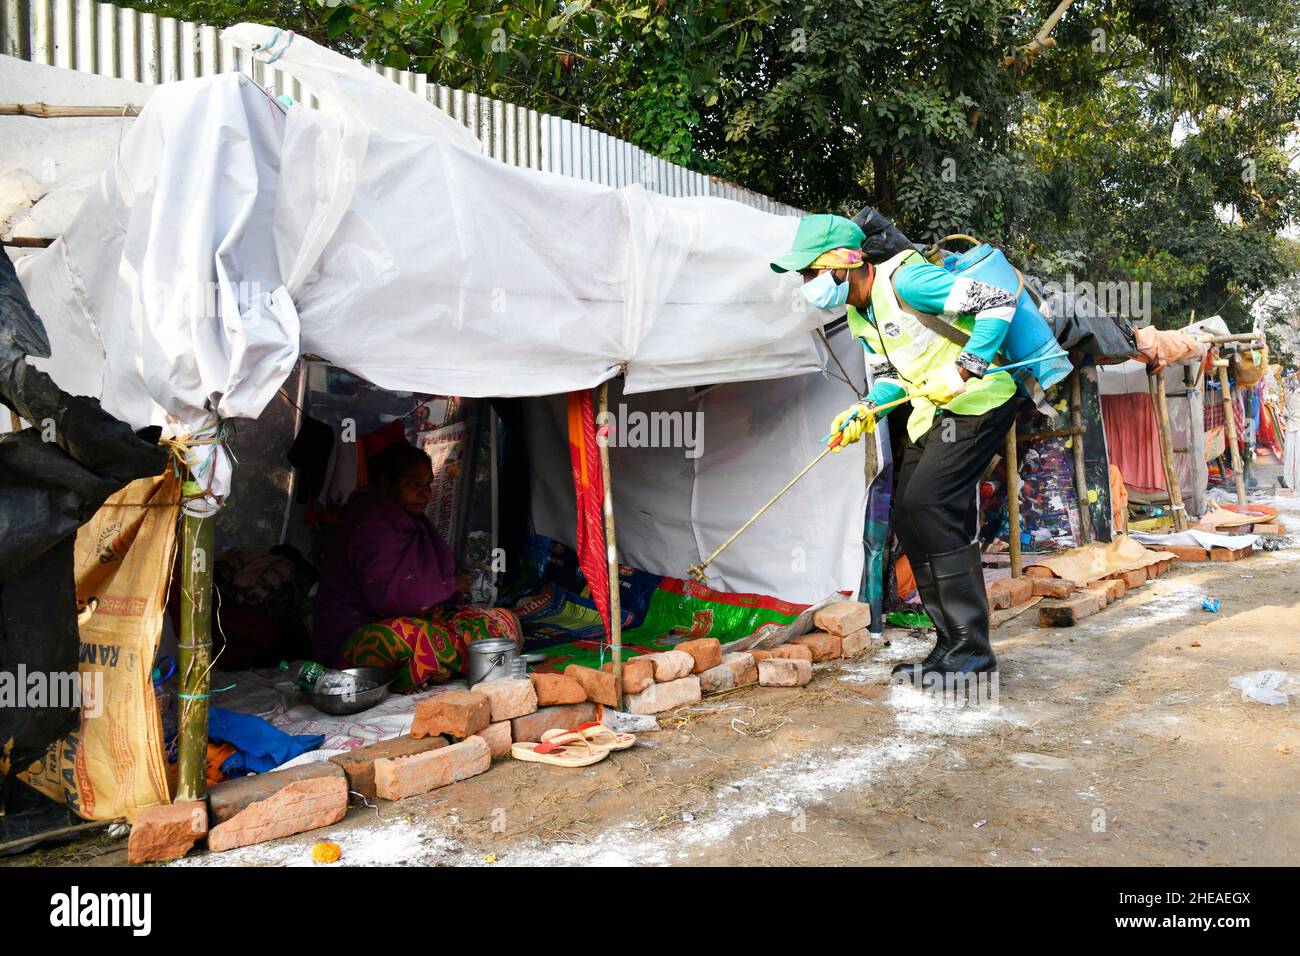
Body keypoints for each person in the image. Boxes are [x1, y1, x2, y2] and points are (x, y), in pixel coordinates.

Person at [770, 214, 1022, 685]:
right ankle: (950, 645)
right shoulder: (858, 314)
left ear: (843, 264)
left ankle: (973, 653)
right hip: (937, 413)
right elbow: (889, 380)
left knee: (929, 502)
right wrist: (864, 410)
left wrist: (965, 369)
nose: (807, 285)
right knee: (908, 513)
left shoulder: (908, 280)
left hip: (982, 398)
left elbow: (998, 302)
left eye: (809, 273)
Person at [312, 441, 521, 690]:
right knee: (409, 639)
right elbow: (391, 597)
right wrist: (450, 584)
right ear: (387, 484)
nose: (426, 493)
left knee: (501, 621)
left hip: (415, 618)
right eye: (414, 483)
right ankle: (437, 665)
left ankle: (435, 666)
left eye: (428, 483)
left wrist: (450, 585)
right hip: (354, 635)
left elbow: (423, 581)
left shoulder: (410, 520)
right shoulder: (371, 523)